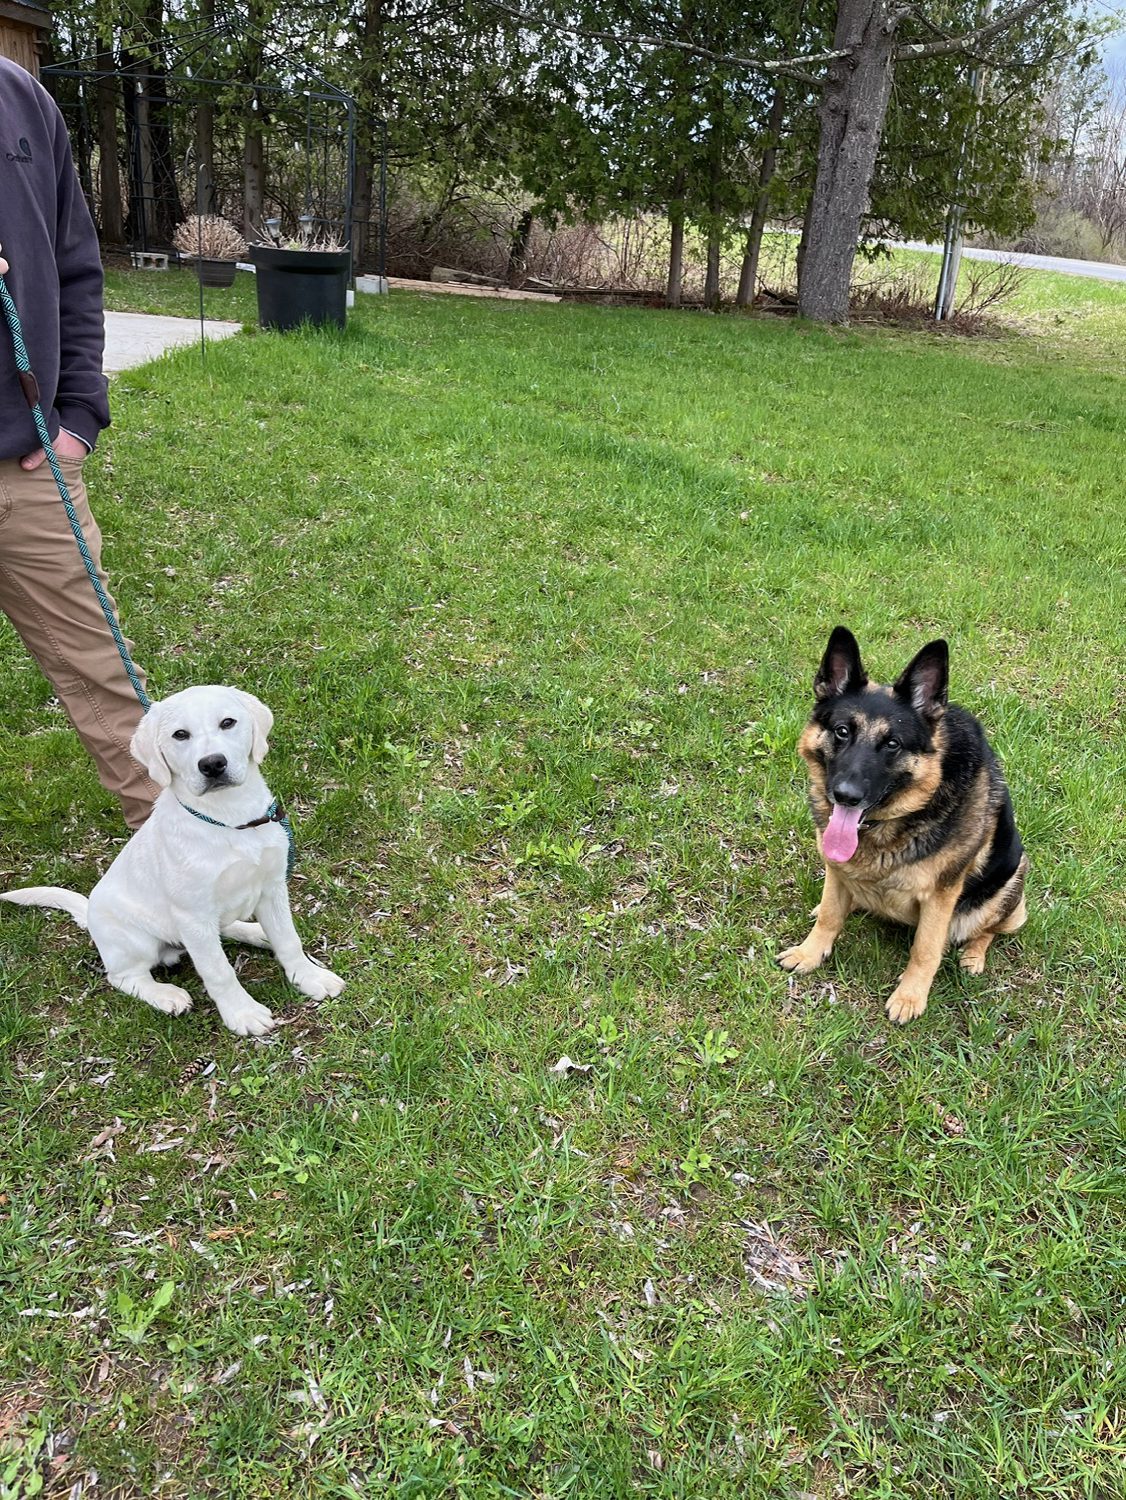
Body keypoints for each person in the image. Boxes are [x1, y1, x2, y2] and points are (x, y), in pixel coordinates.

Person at [0, 57, 156, 829]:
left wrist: (80, 419)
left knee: (103, 669)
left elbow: (75, 267)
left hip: (32, 465)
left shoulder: (21, 95)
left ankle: (186, 862)